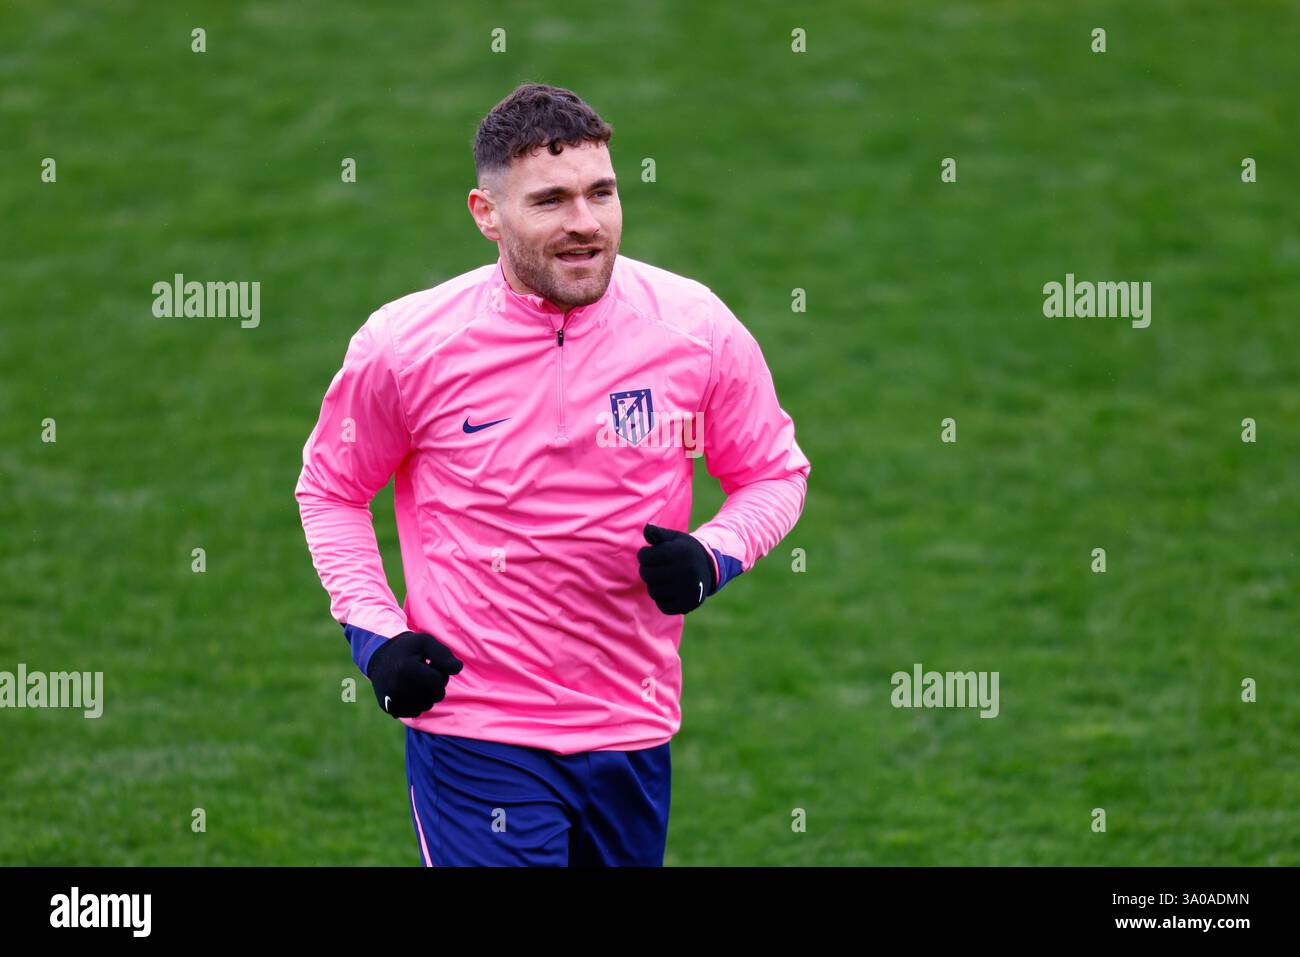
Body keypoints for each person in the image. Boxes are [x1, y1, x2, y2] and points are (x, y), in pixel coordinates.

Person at [295, 82, 810, 866]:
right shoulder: (407, 345)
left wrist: (716, 553)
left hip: (631, 726)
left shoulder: (694, 327)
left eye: (601, 193)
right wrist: (377, 634)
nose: (585, 224)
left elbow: (775, 472)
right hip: (477, 728)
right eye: (551, 201)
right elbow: (331, 489)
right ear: (486, 214)